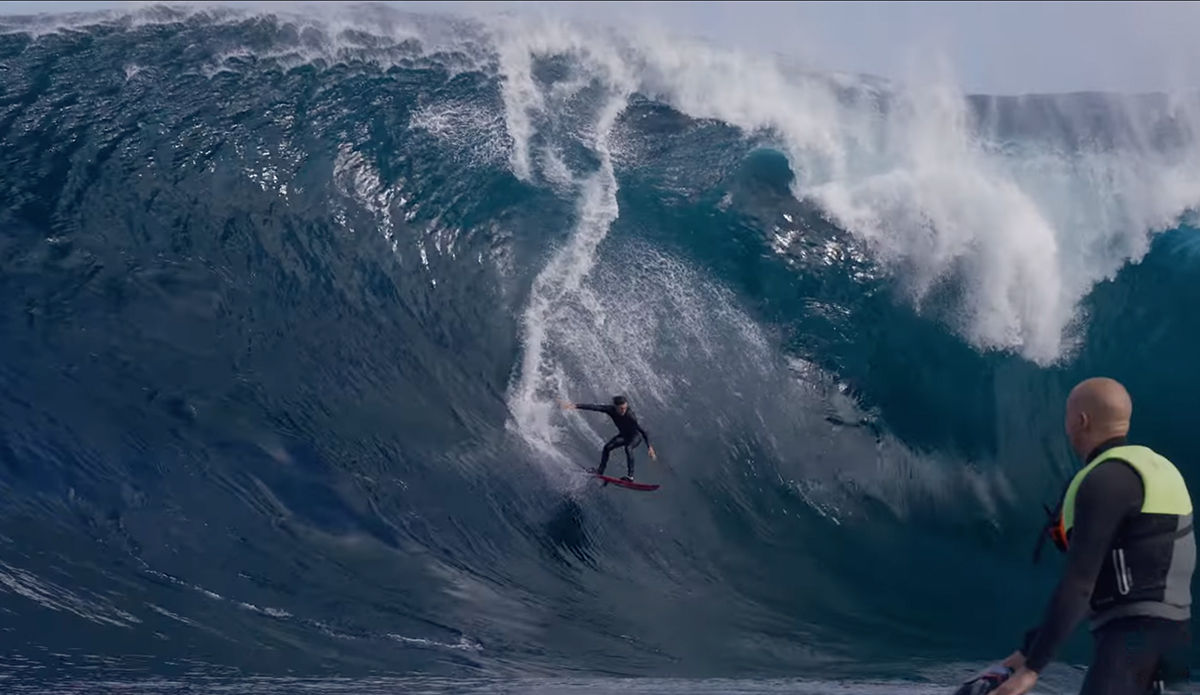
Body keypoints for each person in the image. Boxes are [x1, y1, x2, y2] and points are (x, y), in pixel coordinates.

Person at [988, 377, 1194, 695]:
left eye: (1068, 416)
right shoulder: (1160, 469)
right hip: (1173, 637)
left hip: (1129, 639)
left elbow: (1081, 582)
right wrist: (1028, 651)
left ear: (1081, 420)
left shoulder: (1104, 480)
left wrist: (1031, 671)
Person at [560, 395, 657, 481]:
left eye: (625, 408)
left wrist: (649, 446)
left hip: (635, 437)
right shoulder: (611, 410)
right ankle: (600, 471)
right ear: (616, 407)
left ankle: (630, 477)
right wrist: (576, 406)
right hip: (623, 436)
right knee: (607, 448)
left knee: (628, 448)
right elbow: (595, 407)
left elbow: (643, 431)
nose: (624, 410)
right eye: (621, 408)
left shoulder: (630, 416)